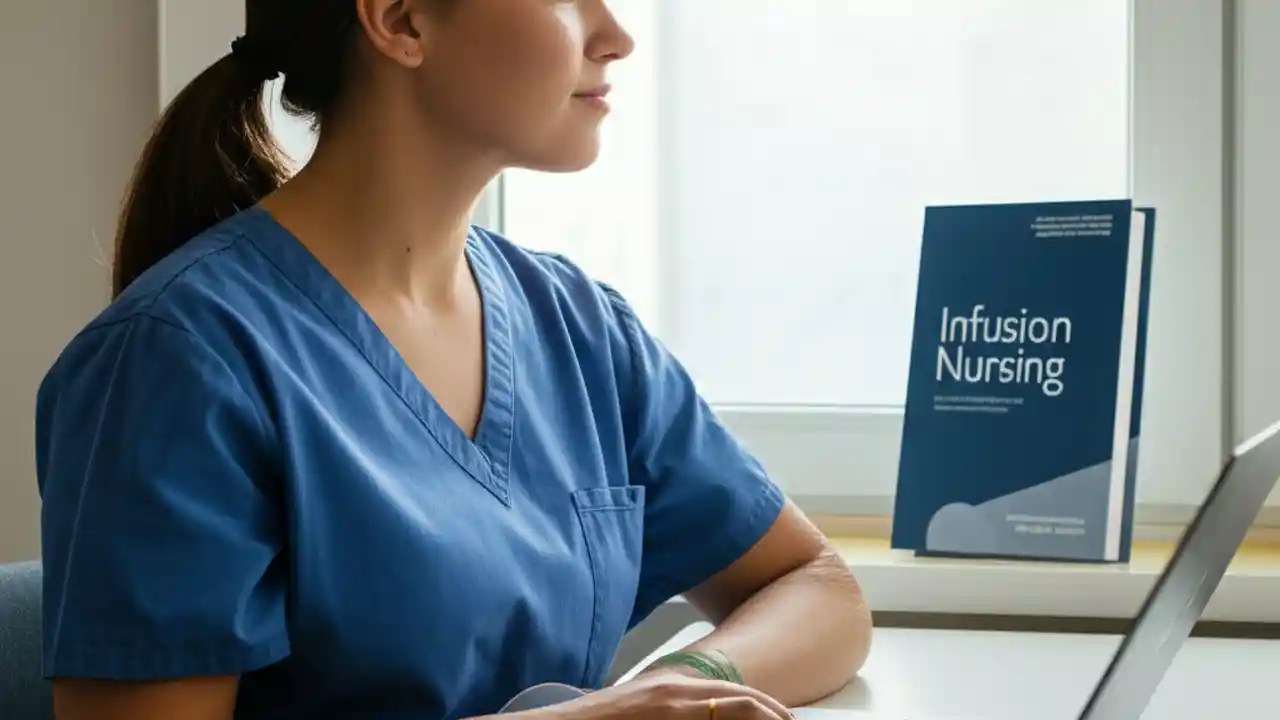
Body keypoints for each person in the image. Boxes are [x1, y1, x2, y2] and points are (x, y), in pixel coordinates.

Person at [34, 1, 873, 718]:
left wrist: (693, 681)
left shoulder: (580, 328)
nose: (615, 33)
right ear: (400, 20)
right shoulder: (176, 363)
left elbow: (816, 586)